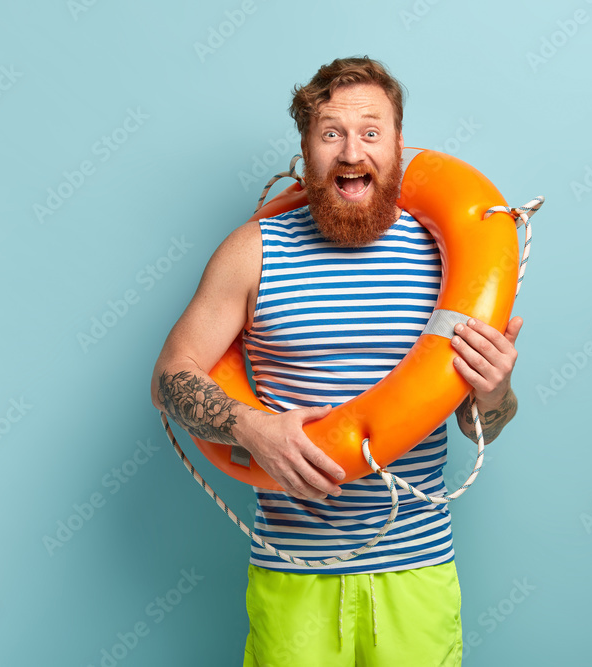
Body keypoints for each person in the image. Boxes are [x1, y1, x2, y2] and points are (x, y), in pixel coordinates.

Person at [150, 56, 522, 666]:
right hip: (295, 572)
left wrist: (494, 393)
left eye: (371, 132)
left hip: (418, 572)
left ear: (399, 145)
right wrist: (250, 427)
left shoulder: (448, 260)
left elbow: (485, 423)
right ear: (306, 151)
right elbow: (172, 375)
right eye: (332, 134)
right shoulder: (253, 253)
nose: (353, 151)